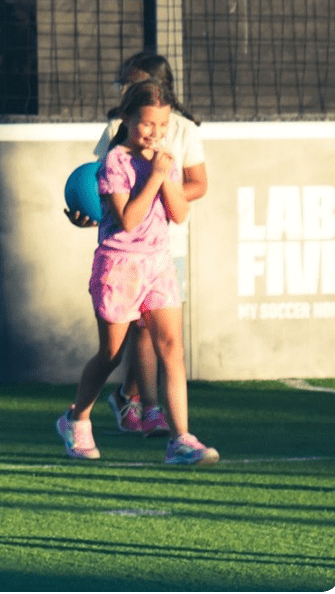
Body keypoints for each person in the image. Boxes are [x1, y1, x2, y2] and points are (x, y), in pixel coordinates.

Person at [55, 79, 219, 466]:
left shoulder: (165, 159)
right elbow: (128, 220)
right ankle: (75, 418)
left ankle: (181, 439)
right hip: (119, 266)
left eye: (162, 127)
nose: (155, 134)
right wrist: (157, 178)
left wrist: (166, 174)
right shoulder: (115, 163)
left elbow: (179, 214)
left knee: (172, 350)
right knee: (110, 354)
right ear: (127, 119)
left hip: (158, 263)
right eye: (147, 125)